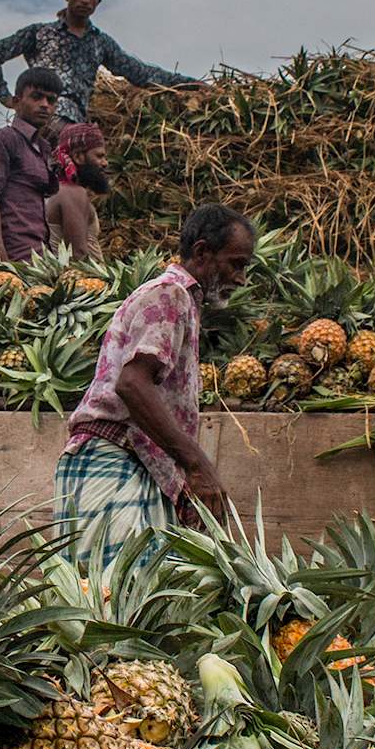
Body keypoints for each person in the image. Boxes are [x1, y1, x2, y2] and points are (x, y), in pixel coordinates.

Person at [57, 203, 253, 564]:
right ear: (202, 252)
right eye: (236, 264)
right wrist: (198, 463)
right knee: (110, 590)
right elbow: (132, 384)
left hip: (130, 462)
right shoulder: (170, 294)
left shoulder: (181, 301)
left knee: (127, 590)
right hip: (114, 459)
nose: (241, 278)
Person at [0, 0, 194, 126]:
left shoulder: (100, 43)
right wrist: (6, 97)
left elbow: (140, 73)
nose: (84, 0)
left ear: (98, 2)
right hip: (40, 120)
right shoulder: (39, 33)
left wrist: (187, 83)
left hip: (75, 126)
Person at [0, 67, 62, 263]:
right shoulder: (2, 139)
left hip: (42, 258)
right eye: (36, 97)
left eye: (51, 101)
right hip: (15, 257)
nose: (44, 105)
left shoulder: (44, 148)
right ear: (16, 102)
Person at [46, 122, 109, 261]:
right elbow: (79, 255)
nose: (105, 163)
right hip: (82, 274)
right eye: (99, 156)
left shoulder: (61, 190)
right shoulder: (73, 193)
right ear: (78, 156)